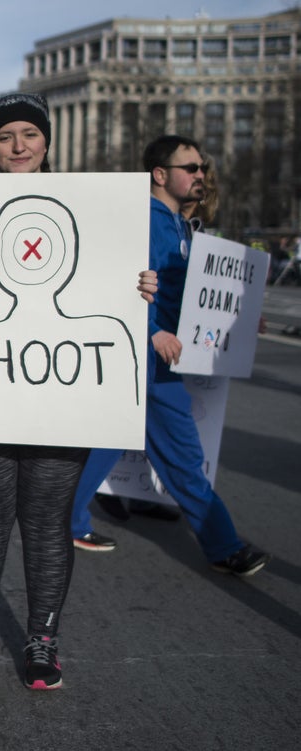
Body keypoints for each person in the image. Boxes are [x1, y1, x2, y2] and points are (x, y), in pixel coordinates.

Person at [0, 93, 158, 690]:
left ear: (47, 142)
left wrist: (141, 288)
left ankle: (42, 639)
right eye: (6, 137)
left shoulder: (94, 211)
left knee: (47, 520)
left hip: (66, 393)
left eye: (30, 134)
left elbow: (117, 288)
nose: (20, 145)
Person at [68, 135, 270, 576]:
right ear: (160, 175)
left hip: (152, 358)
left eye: (202, 167)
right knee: (179, 453)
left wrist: (243, 313)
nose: (201, 175)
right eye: (191, 168)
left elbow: (193, 291)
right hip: (148, 357)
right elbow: (120, 281)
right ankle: (223, 546)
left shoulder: (176, 222)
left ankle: (67, 520)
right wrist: (153, 330)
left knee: (110, 440)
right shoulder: (148, 220)